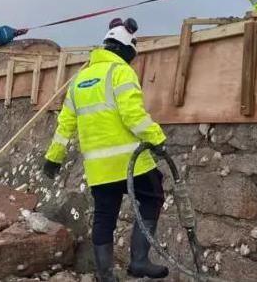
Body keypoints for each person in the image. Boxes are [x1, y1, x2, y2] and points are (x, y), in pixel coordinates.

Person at [42, 18, 168, 282]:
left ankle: (105, 274)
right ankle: (139, 261)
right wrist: (157, 139)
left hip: (99, 168)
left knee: (104, 216)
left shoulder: (80, 80)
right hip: (131, 162)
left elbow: (65, 125)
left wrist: (53, 159)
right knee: (153, 196)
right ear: (124, 50)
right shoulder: (120, 72)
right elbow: (133, 115)